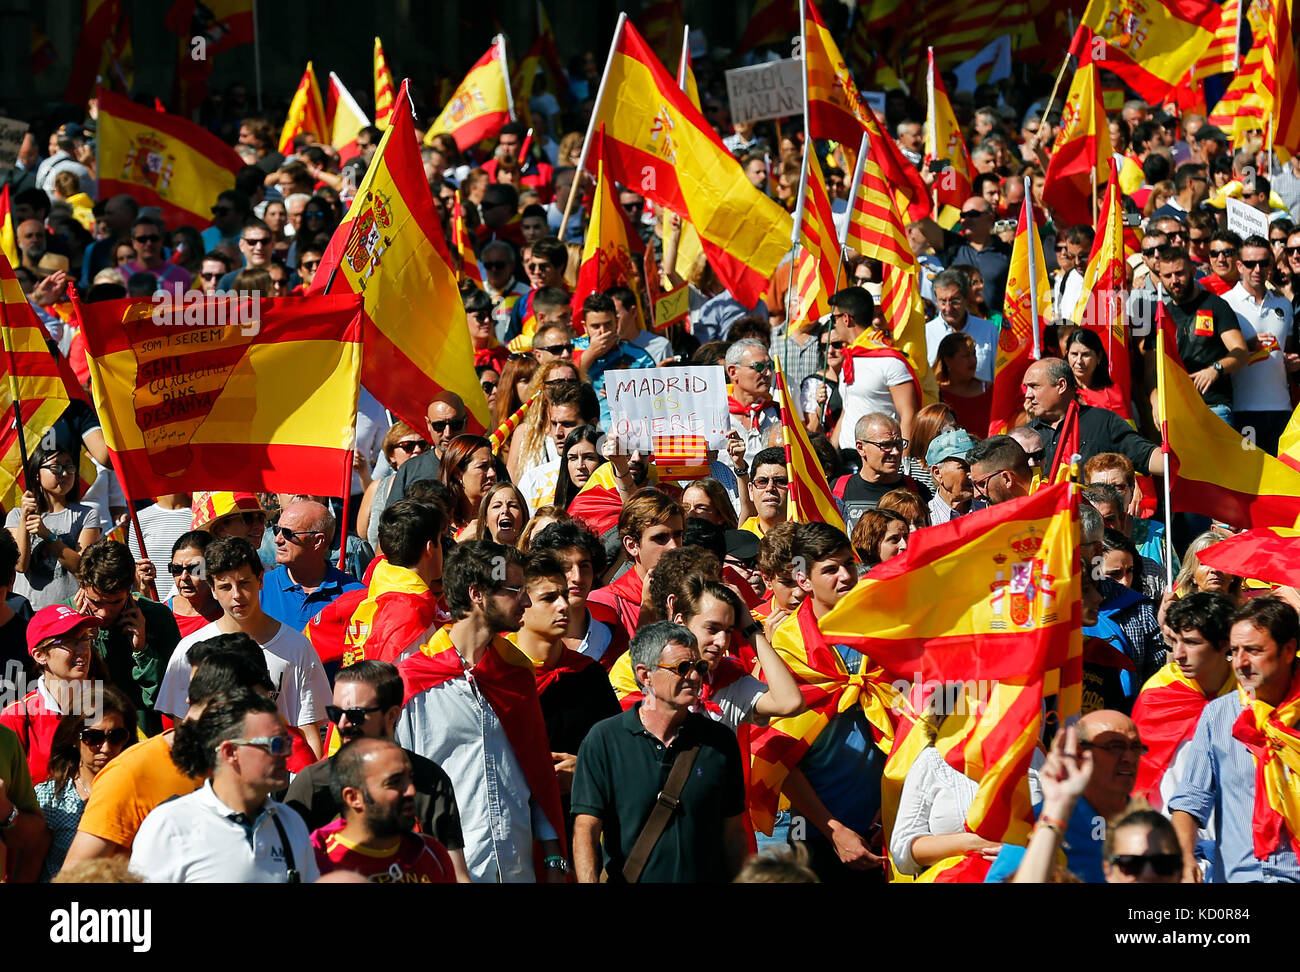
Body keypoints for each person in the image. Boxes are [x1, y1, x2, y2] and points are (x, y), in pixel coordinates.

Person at [395, 540, 567, 883]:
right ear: (477, 593)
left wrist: (553, 858)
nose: (526, 601)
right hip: (444, 870)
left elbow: (538, 777)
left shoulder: (517, 677)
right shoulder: (412, 684)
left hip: (518, 869)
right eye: (516, 589)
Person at [751, 523, 901, 883]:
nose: (845, 576)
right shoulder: (786, 648)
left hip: (891, 824)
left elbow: (915, 729)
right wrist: (834, 830)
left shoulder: (888, 633)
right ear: (803, 580)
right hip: (815, 834)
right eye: (830, 569)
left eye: (848, 564)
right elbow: (777, 754)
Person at [571, 621, 749, 883]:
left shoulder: (719, 741)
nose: (695, 676)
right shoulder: (604, 740)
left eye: (698, 667)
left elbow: (733, 832)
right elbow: (586, 829)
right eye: (682, 668)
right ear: (645, 676)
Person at [285, 661, 468, 882]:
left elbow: (456, 873)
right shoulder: (314, 783)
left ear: (392, 715)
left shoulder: (429, 778)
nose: (342, 725)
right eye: (335, 713)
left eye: (355, 715)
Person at [155, 537, 332, 760]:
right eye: (225, 587)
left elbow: (308, 731)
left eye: (244, 583)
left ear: (260, 580)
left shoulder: (297, 646)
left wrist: (307, 787)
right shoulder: (190, 650)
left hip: (280, 775)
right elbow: (183, 730)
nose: (236, 595)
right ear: (212, 589)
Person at [1170, 597, 1300, 882]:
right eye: (1235, 651)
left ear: (1288, 650)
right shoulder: (1217, 715)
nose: (1240, 663)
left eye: (1253, 651)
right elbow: (1190, 801)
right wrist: (1184, 856)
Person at [129, 689, 318, 883]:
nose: (287, 753)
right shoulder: (170, 825)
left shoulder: (291, 822)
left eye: (287, 742)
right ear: (230, 752)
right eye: (275, 744)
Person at [510, 553, 620, 809]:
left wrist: (584, 770)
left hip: (577, 820)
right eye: (549, 598)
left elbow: (618, 755)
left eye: (564, 595)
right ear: (519, 605)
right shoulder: (498, 675)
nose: (563, 605)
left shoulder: (589, 675)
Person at [1131, 592, 1237, 815]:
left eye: (1190, 643)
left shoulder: (1248, 695)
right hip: (1168, 830)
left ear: (1224, 643)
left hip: (1236, 834)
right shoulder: (1158, 693)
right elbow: (1138, 773)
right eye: (1175, 641)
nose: (1178, 654)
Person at [310, 737, 459, 883]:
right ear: (354, 797)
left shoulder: (432, 854)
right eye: (394, 782)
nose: (411, 790)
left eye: (410, 778)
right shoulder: (316, 863)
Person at [70, 539, 180, 736]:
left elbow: (171, 701)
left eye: (115, 602)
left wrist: (143, 651)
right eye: (95, 601)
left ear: (130, 588)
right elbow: (61, 697)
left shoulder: (157, 617)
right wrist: (83, 643)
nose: (103, 613)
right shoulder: (62, 617)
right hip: (83, 742)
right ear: (82, 587)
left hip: (141, 742)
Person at [33, 686, 136, 881]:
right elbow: (28, 871)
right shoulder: (50, 798)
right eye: (93, 737)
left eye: (116, 737)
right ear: (74, 737)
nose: (105, 748)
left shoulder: (139, 797)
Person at [1, 605, 104, 783]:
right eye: (70, 641)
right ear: (40, 655)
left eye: (84, 639)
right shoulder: (16, 717)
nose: (83, 650)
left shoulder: (108, 705)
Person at [342, 500, 446, 666]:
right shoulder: (413, 616)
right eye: (440, 541)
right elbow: (411, 686)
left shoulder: (369, 596)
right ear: (429, 548)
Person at [1022, 358, 1163, 475]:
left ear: (1061, 385)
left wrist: (1175, 459)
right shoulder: (1024, 436)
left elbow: (1148, 457)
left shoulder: (1102, 422)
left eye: (1034, 386)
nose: (1028, 394)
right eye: (1027, 388)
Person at [1223, 235, 1298, 454]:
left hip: (1282, 410)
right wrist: (1246, 345)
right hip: (1244, 409)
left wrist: (1293, 362)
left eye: (1264, 263)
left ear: (1270, 265)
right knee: (1251, 478)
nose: (1257, 269)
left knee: (1283, 476)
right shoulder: (1226, 302)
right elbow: (1218, 354)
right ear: (1239, 266)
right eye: (1250, 264)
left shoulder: (1283, 303)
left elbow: (1289, 349)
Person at [1156, 246, 1249, 421]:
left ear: (1192, 271)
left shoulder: (1216, 305)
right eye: (1168, 276)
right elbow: (1152, 366)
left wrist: (1215, 369)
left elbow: (1241, 352)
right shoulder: (1163, 315)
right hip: (1176, 410)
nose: (1174, 280)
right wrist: (1155, 399)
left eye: (1179, 273)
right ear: (1160, 278)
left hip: (1214, 408)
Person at [7, 446, 100, 611]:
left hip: (70, 611)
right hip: (29, 612)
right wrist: (23, 520)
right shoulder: (16, 515)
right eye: (55, 467)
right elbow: (20, 565)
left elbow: (83, 568)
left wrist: (47, 535)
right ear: (37, 473)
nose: (64, 474)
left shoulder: (87, 515)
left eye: (69, 467)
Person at [587, 490, 684, 642]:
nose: (673, 547)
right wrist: (648, 611)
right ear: (632, 545)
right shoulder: (604, 602)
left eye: (678, 535)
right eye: (660, 538)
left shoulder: (696, 592)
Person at [829, 287, 919, 448]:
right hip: (848, 460)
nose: (832, 325)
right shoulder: (851, 357)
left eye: (833, 319)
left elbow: (908, 414)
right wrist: (832, 453)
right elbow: (847, 410)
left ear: (846, 319)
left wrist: (903, 460)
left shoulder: (889, 360)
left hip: (882, 459)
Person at [832, 413, 931, 534]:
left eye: (898, 444)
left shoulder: (918, 491)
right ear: (861, 447)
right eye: (886, 445)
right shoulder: (838, 489)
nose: (895, 452)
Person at [357, 421, 426, 550]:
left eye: (422, 445)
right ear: (391, 455)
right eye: (408, 446)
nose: (417, 450)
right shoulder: (376, 488)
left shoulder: (436, 487)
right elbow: (362, 539)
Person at [925, 272, 998, 384]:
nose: (948, 308)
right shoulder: (925, 333)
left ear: (966, 298)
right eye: (943, 302)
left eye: (955, 301)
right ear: (936, 300)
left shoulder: (988, 330)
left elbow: (998, 375)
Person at [725, 338, 782, 469]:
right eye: (759, 367)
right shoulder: (716, 415)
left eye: (770, 366)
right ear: (733, 372)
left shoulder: (778, 412)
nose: (768, 373)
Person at [436, 434, 498, 539]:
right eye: (483, 466)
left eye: (493, 466)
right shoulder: (438, 522)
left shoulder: (501, 516)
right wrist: (460, 542)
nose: (492, 473)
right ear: (457, 473)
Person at [165, 531, 224, 638]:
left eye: (194, 569)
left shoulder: (229, 612)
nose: (183, 577)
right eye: (176, 569)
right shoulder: (162, 615)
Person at [934, 331, 991, 436]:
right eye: (966, 356)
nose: (973, 360)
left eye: (974, 354)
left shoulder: (989, 389)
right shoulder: (936, 393)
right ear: (948, 360)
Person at [1065, 327, 1128, 416]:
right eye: (1074, 354)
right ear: (1067, 355)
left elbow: (1122, 428)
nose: (1079, 361)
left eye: (1085, 355)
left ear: (1099, 357)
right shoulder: (1060, 391)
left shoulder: (1113, 394)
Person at [1172, 531, 1243, 602]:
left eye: (1222, 562)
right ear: (1192, 576)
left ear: (1233, 575)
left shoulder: (1246, 611)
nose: (1214, 570)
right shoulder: (1180, 610)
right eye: (1204, 563)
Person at [926, 428, 977, 524]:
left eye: (974, 466)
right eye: (964, 467)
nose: (972, 474)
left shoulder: (988, 510)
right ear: (937, 473)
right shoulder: (925, 519)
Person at [968, 435, 1034, 504]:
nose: (976, 495)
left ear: (1007, 478)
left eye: (981, 483)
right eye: (974, 485)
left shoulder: (1045, 508)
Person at [552, 426, 605, 512]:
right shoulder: (558, 510)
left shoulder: (618, 503)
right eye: (573, 458)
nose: (580, 466)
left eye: (589, 458)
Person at [741, 447, 789, 538]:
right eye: (762, 482)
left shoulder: (808, 541)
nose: (770, 488)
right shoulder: (739, 542)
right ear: (751, 490)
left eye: (780, 481)